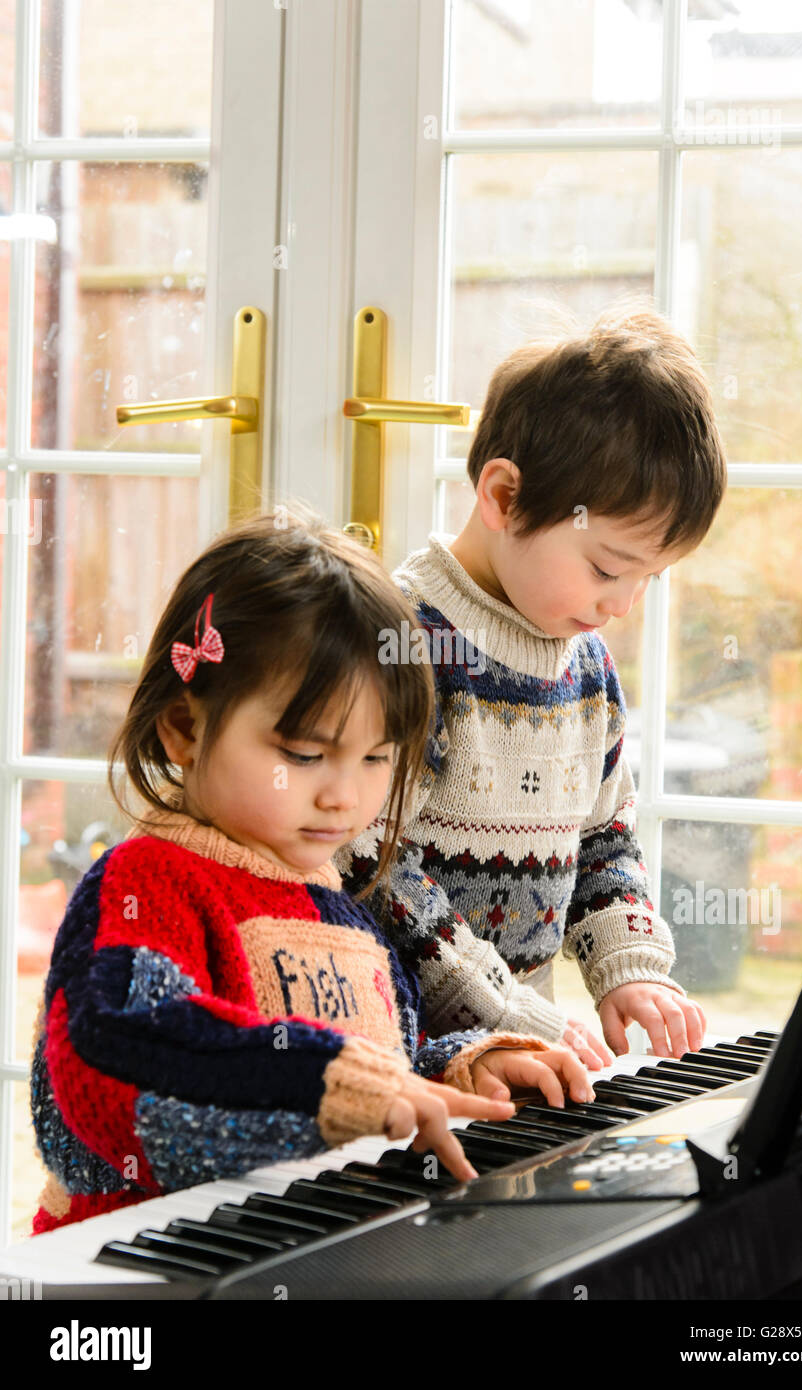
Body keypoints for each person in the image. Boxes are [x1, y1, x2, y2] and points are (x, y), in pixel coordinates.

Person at [29, 506, 592, 1234]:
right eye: (302, 755)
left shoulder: (341, 907)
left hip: (302, 1244)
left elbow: (376, 1063)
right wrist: (326, 1081)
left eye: (376, 758)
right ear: (184, 728)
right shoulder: (147, 883)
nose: (342, 795)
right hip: (143, 1257)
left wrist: (459, 1072)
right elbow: (119, 1046)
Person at [336, 299, 725, 1068]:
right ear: (503, 497)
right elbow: (367, 860)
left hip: (521, 1051)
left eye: (649, 579)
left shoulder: (586, 668)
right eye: (609, 568)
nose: (621, 604)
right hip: (409, 1056)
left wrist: (628, 966)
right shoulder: (402, 645)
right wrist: (497, 1005)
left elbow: (601, 837)